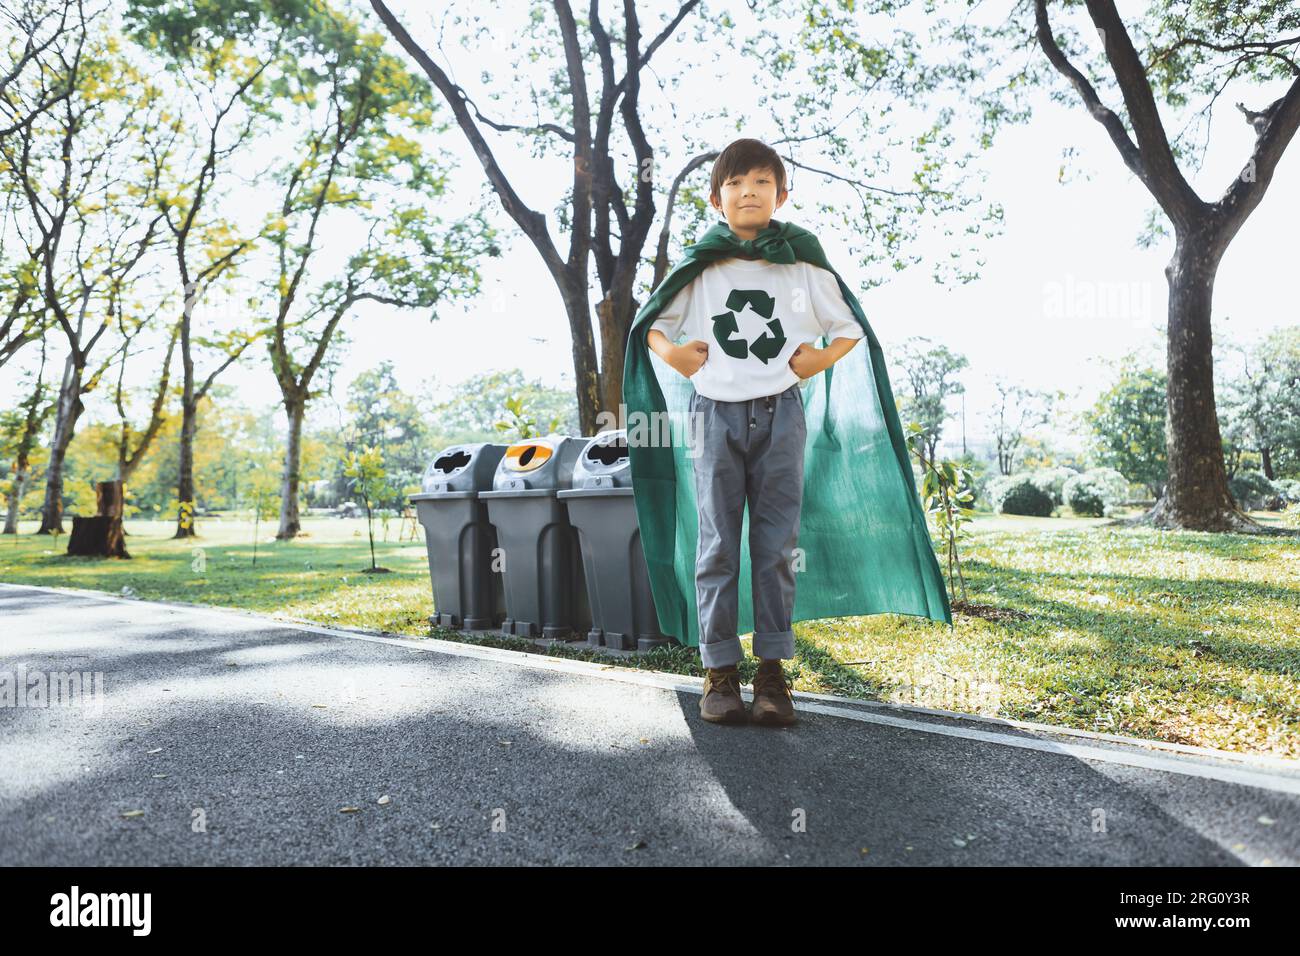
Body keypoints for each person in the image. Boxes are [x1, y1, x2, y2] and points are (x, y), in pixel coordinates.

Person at [644, 138, 866, 726]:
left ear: (782, 194)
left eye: (763, 182)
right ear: (717, 198)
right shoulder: (702, 264)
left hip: (780, 414)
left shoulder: (800, 262)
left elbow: (848, 327)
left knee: (776, 548)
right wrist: (676, 357)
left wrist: (817, 360)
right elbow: (654, 326)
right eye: (737, 183)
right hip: (714, 414)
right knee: (717, 544)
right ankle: (720, 672)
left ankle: (772, 672)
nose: (750, 192)